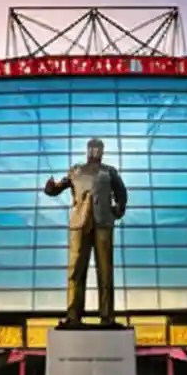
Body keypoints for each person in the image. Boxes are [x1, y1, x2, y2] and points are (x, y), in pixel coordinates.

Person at [44, 138, 128, 327]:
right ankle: (73, 316)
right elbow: (58, 188)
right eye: (92, 148)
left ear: (102, 151)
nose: (95, 152)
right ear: (88, 150)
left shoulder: (109, 171)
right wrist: (50, 189)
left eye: (98, 149)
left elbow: (122, 193)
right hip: (79, 224)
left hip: (103, 223)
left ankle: (107, 316)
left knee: (105, 271)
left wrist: (118, 208)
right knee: (75, 271)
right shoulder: (76, 170)